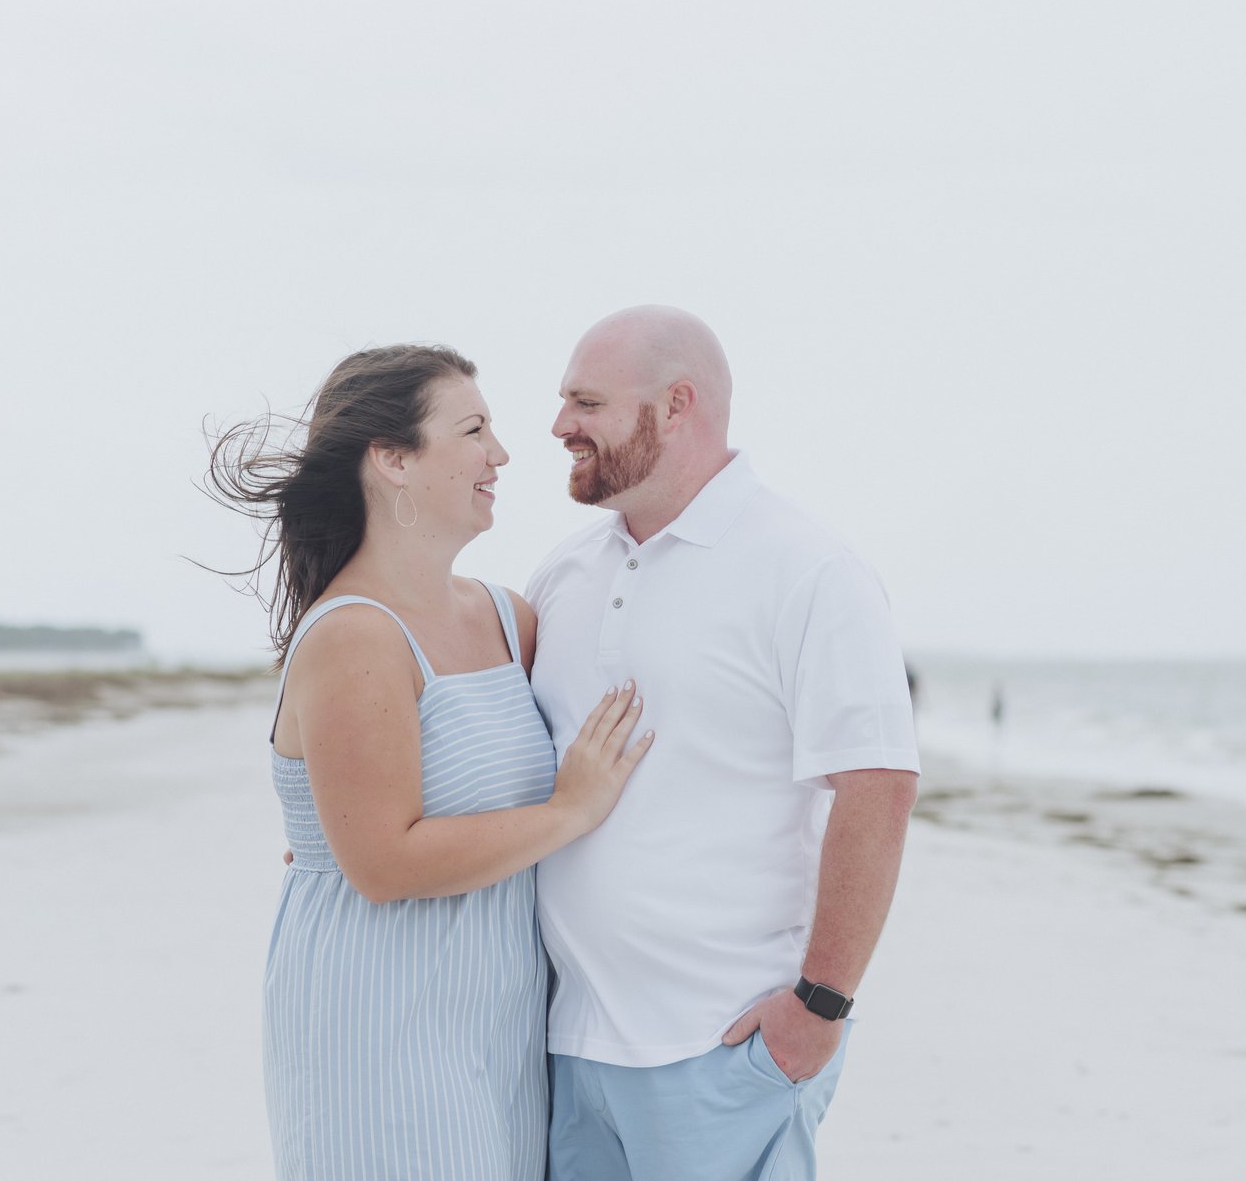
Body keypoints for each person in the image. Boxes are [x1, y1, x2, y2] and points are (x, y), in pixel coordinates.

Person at [207, 344, 654, 1181]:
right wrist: (568, 810)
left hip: (501, 1014)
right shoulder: (355, 634)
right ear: (394, 460)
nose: (502, 454)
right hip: (379, 1015)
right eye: (474, 429)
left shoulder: (506, 617)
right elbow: (381, 864)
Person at [526, 306, 921, 1181]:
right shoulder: (561, 573)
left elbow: (879, 784)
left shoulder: (808, 569)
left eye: (586, 402)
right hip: (568, 1047)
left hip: (723, 1045)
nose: (559, 426)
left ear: (675, 405)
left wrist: (818, 1005)